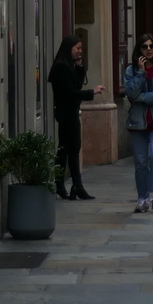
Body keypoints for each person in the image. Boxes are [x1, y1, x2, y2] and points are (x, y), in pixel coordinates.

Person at [123, 33, 153, 214]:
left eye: (151, 46)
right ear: (139, 49)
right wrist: (142, 72)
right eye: (145, 47)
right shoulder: (132, 70)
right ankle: (142, 197)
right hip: (138, 124)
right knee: (141, 162)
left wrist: (142, 97)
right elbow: (130, 93)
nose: (149, 49)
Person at [48, 35, 95, 201]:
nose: (80, 51)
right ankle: (68, 185)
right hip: (66, 113)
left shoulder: (69, 66)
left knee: (71, 148)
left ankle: (74, 185)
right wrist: (92, 93)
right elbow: (70, 92)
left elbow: (77, 84)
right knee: (68, 149)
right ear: (69, 49)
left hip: (70, 112)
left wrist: (80, 67)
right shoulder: (61, 67)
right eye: (78, 48)